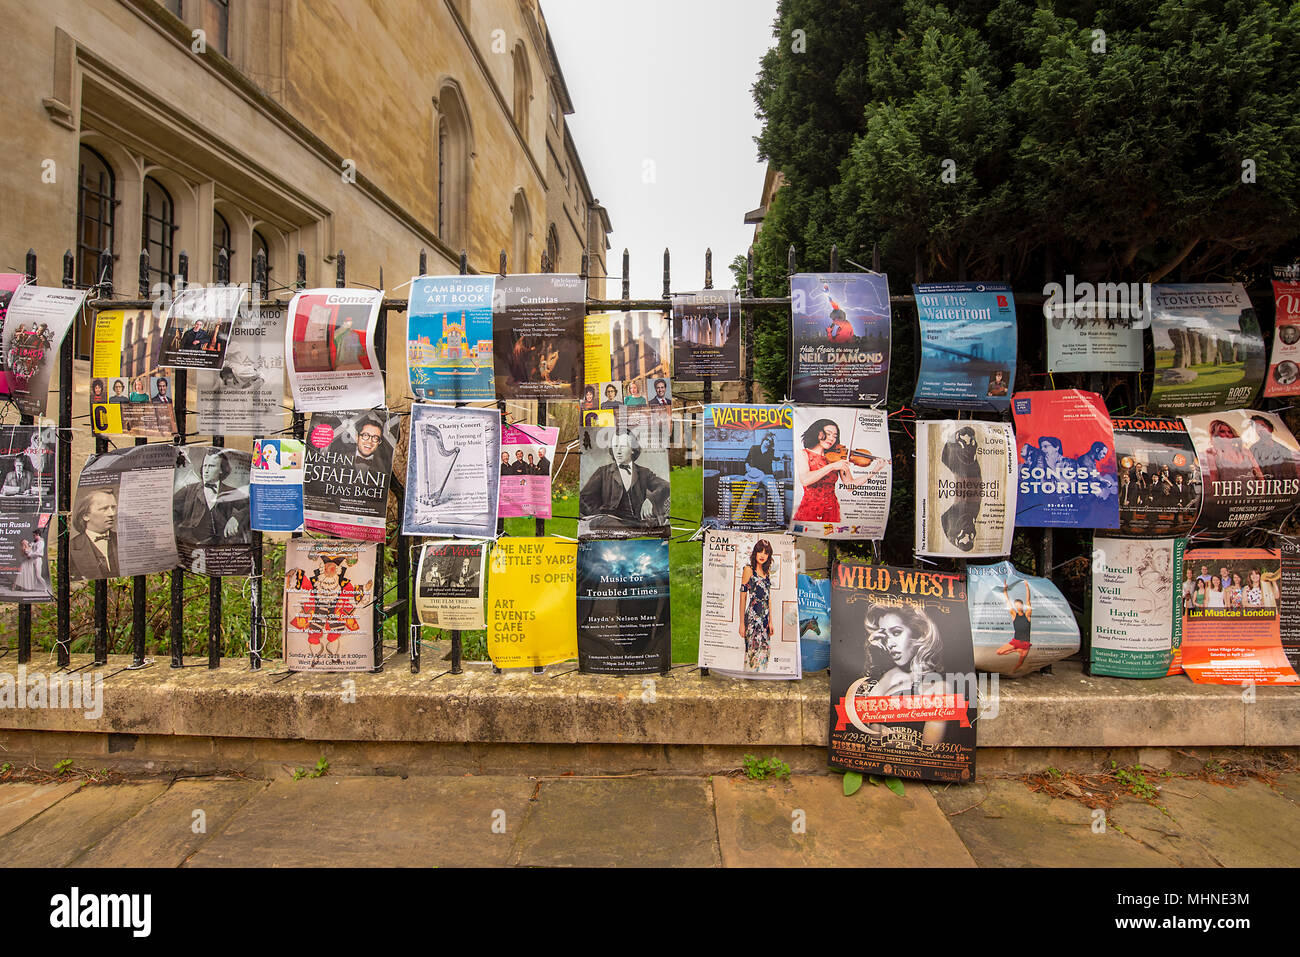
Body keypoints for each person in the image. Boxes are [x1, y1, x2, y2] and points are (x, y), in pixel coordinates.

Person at [856, 603, 950, 745]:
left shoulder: (939, 686)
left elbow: (929, 750)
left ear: (917, 632)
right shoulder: (887, 678)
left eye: (896, 632)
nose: (890, 644)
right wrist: (870, 655)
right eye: (885, 637)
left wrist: (886, 734)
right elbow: (864, 732)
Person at [287, 553, 372, 667]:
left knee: (335, 634)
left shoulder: (342, 583)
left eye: (332, 568)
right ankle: (316, 655)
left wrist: (365, 589)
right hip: (317, 612)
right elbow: (304, 584)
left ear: (337, 570)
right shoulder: (316, 582)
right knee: (313, 635)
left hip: (335, 613)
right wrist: (294, 574)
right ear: (323, 568)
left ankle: (333, 655)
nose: (329, 570)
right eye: (327, 567)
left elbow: (352, 592)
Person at [792, 418, 879, 524]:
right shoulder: (803, 454)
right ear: (817, 432)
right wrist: (832, 467)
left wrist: (874, 471)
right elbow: (805, 480)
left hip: (831, 509)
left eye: (835, 436)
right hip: (810, 508)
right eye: (828, 434)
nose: (831, 439)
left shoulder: (837, 458)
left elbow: (850, 486)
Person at [579, 430, 669, 530]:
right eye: (615, 446)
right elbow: (583, 499)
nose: (618, 451)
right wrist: (599, 514)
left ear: (633, 449)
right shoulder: (603, 472)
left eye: (623, 446)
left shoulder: (644, 472)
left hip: (637, 522)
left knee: (659, 527)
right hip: (611, 522)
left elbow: (665, 486)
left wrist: (651, 500)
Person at [174, 451, 246, 546]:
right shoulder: (188, 490)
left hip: (221, 546)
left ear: (221, 470)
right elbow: (171, 512)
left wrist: (236, 518)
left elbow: (251, 507)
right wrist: (182, 535)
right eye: (205, 466)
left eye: (211, 466)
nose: (206, 470)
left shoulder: (230, 491)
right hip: (191, 545)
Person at [731, 432, 786, 526]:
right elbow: (747, 461)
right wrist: (749, 469)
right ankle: (734, 520)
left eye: (770, 442)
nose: (767, 442)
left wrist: (776, 442)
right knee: (745, 497)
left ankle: (780, 522)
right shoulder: (754, 448)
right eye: (767, 440)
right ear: (763, 439)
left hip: (768, 476)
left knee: (776, 498)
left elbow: (778, 457)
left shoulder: (772, 451)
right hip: (754, 476)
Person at [738, 539, 775, 672]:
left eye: (766, 553)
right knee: (752, 651)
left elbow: (768, 599)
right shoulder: (749, 570)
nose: (762, 555)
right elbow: (742, 597)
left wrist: (771, 621)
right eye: (760, 551)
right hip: (753, 618)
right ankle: (750, 679)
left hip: (765, 619)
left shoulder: (767, 574)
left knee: (764, 650)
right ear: (755, 552)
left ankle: (760, 677)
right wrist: (742, 623)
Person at [69, 488, 118, 580]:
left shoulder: (124, 541)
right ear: (86, 516)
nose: (112, 513)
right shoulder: (71, 548)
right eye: (104, 508)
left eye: (113, 508)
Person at [995, 579, 1033, 672]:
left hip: (1025, 643)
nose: (1018, 606)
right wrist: (1005, 591)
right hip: (1016, 642)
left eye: (1019, 605)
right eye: (1016, 605)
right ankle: (1016, 650)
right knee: (999, 652)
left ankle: (1011, 673)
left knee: (1020, 663)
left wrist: (1027, 587)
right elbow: (1007, 602)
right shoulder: (1014, 614)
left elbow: (1028, 600)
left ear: (1022, 606)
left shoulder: (1027, 615)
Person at [1247, 415, 1300, 481]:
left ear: (1270, 428)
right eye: (1256, 427)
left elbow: (1293, 474)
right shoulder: (1253, 450)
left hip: (1285, 488)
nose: (1260, 429)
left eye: (1262, 426)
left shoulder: (1284, 449)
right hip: (1268, 488)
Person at [13, 530, 46, 594]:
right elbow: (28, 546)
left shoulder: (41, 542)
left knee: (38, 575)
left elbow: (38, 552)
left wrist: (29, 554)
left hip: (37, 559)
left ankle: (45, 587)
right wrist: (25, 545)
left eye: (34, 535)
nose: (33, 536)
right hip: (32, 559)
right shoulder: (34, 542)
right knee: (31, 573)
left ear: (38, 534)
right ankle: (26, 586)